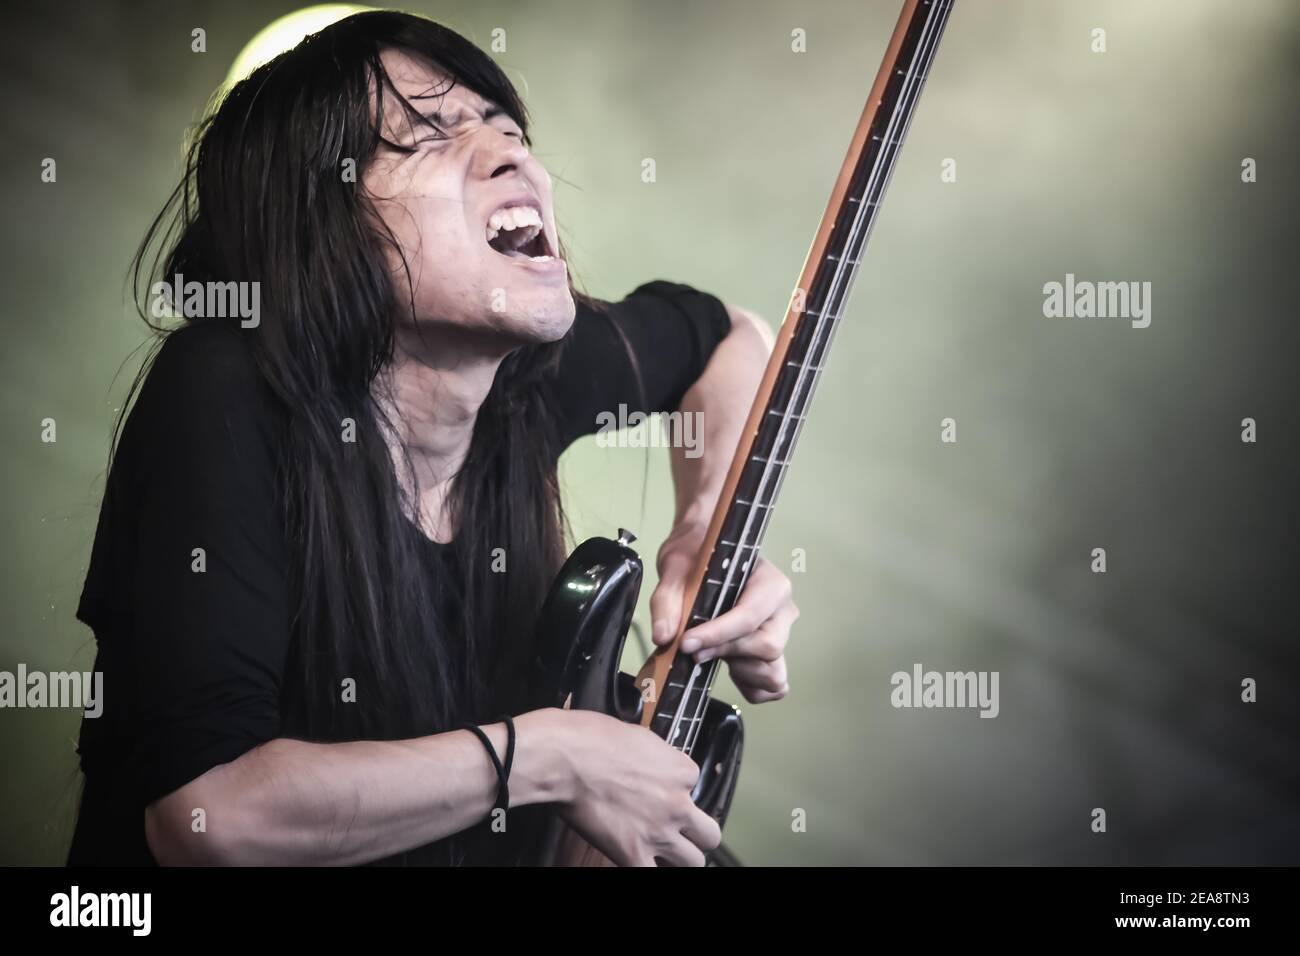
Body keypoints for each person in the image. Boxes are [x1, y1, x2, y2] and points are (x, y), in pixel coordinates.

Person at [67, 10, 796, 867]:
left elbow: (732, 338)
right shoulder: (226, 389)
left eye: (506, 127)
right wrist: (553, 757)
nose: (511, 152)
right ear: (322, 226)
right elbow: (211, 817)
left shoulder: (523, 380)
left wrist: (706, 523)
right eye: (426, 137)